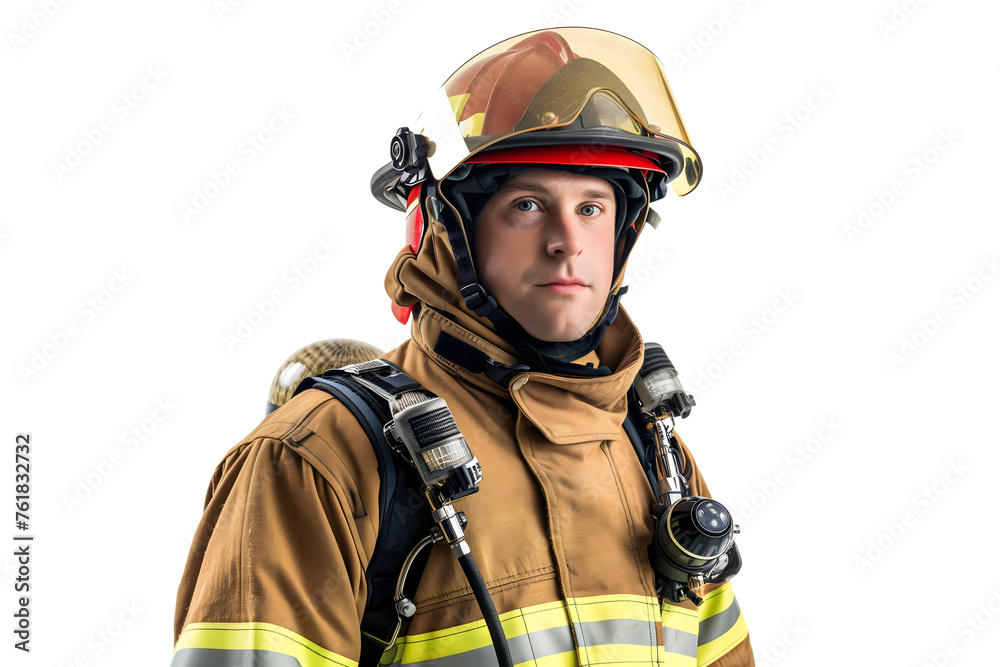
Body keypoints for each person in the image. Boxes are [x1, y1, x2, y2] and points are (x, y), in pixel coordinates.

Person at [172, 27, 754, 667]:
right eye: (529, 204)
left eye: (593, 207)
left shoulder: (652, 447)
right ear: (451, 231)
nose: (568, 241)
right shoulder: (322, 456)